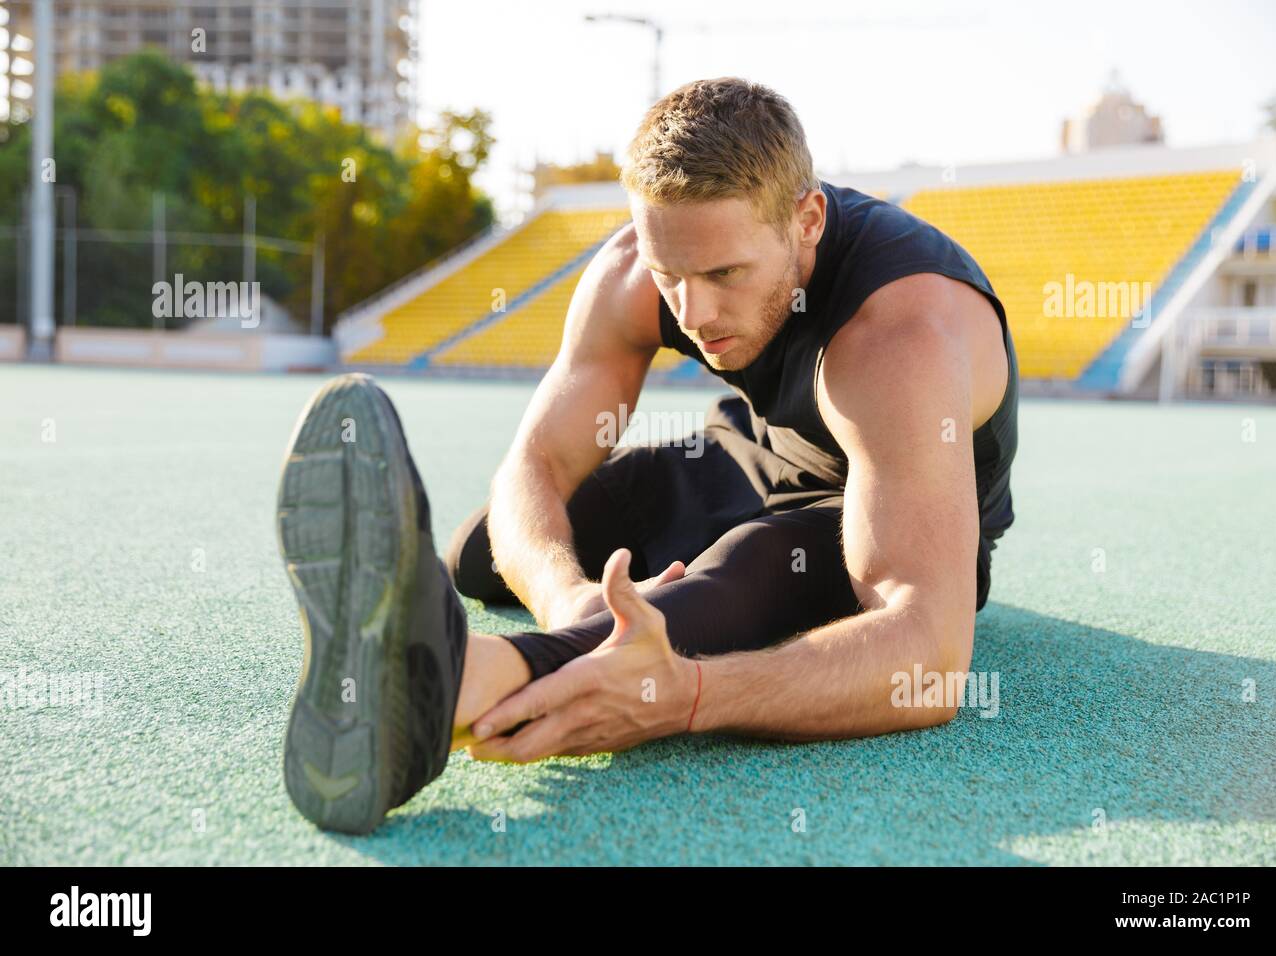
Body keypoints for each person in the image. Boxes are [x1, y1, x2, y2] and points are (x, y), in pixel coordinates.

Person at [277, 77, 1018, 834]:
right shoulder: (638, 268)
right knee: (485, 549)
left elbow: (929, 659)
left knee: (744, 569)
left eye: (725, 275)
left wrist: (688, 695)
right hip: (745, 449)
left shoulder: (901, 335)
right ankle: (432, 659)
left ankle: (442, 692)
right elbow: (535, 466)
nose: (694, 315)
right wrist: (567, 596)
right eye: (673, 278)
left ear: (807, 221)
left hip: (877, 491)